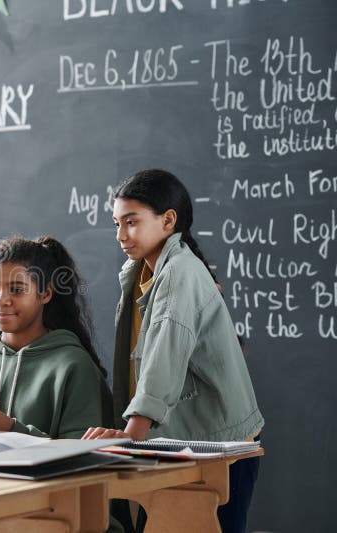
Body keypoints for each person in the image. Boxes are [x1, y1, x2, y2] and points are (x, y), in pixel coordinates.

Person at [83, 169, 264, 533]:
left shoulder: (180, 271)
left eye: (131, 223)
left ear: (168, 220)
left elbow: (165, 353)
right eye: (117, 223)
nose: (120, 235)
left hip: (221, 447)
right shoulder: (139, 272)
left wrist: (131, 434)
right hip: (184, 443)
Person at [0, 235, 113, 440]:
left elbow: (84, 453)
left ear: (45, 294)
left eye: (16, 290)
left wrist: (10, 429)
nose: (1, 301)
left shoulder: (74, 366)